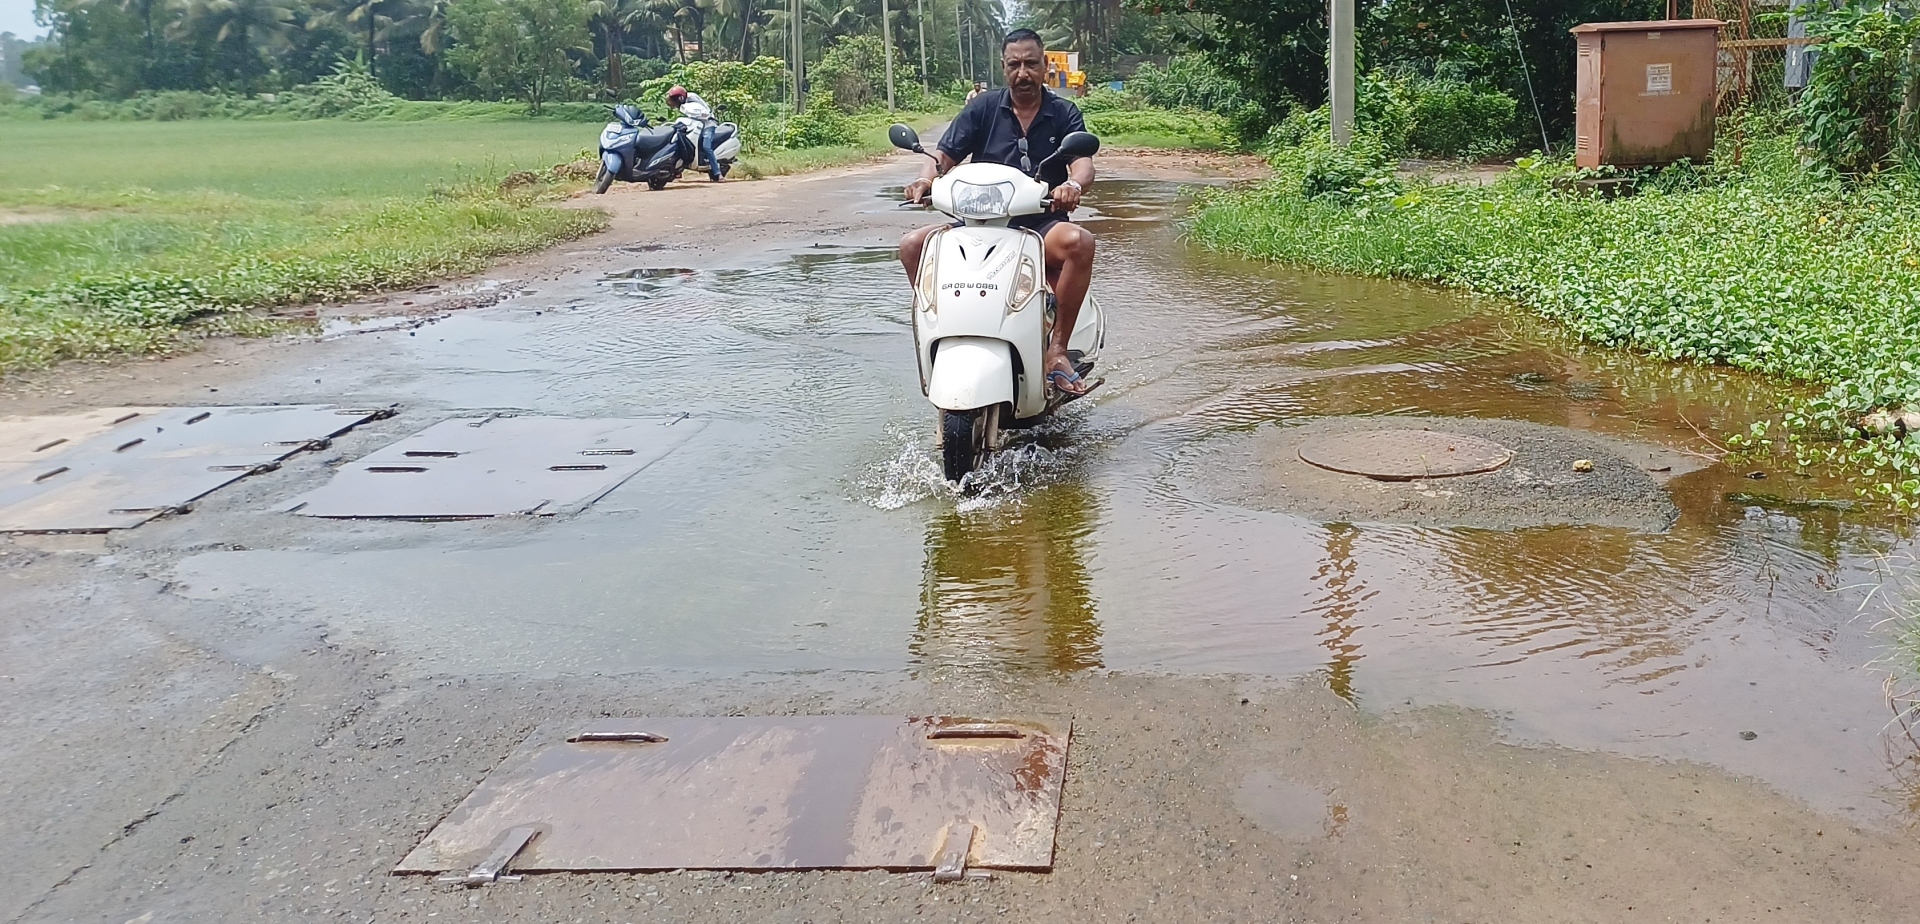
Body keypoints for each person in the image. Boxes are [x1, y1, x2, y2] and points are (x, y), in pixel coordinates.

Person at [899, 30, 1097, 396]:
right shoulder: (983, 108)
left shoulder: (1063, 112)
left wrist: (1072, 185)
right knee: (913, 247)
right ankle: (944, 332)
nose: (1023, 73)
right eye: (1014, 65)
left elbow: (1083, 164)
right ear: (1004, 67)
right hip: (977, 225)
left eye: (1031, 64)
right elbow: (943, 157)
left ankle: (1057, 351)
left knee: (1080, 243)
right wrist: (925, 180)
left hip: (1040, 226)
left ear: (1045, 66)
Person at [666, 85, 722, 183]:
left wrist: (706, 115)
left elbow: (703, 111)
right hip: (696, 124)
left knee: (706, 147)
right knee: (683, 142)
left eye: (675, 100)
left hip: (708, 123)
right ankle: (677, 171)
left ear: (680, 98)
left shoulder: (692, 98)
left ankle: (718, 173)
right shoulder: (683, 104)